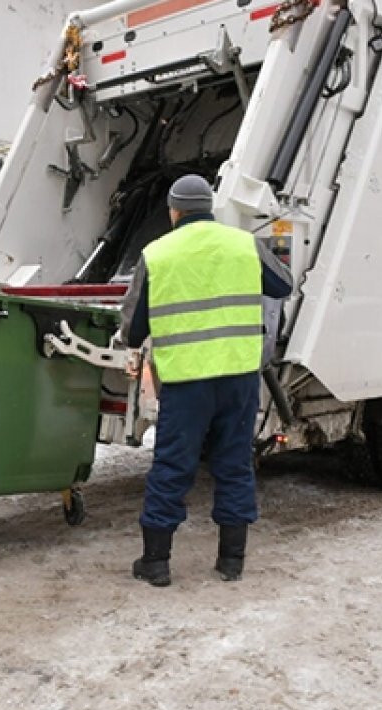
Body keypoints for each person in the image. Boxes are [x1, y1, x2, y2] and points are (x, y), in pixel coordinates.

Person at [118, 174, 292, 587]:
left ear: (174, 211)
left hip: (187, 381)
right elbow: (283, 284)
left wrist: (134, 339)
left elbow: (133, 327)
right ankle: (232, 561)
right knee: (234, 465)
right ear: (210, 208)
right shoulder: (243, 244)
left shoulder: (157, 253)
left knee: (173, 466)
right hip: (238, 377)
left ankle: (156, 563)